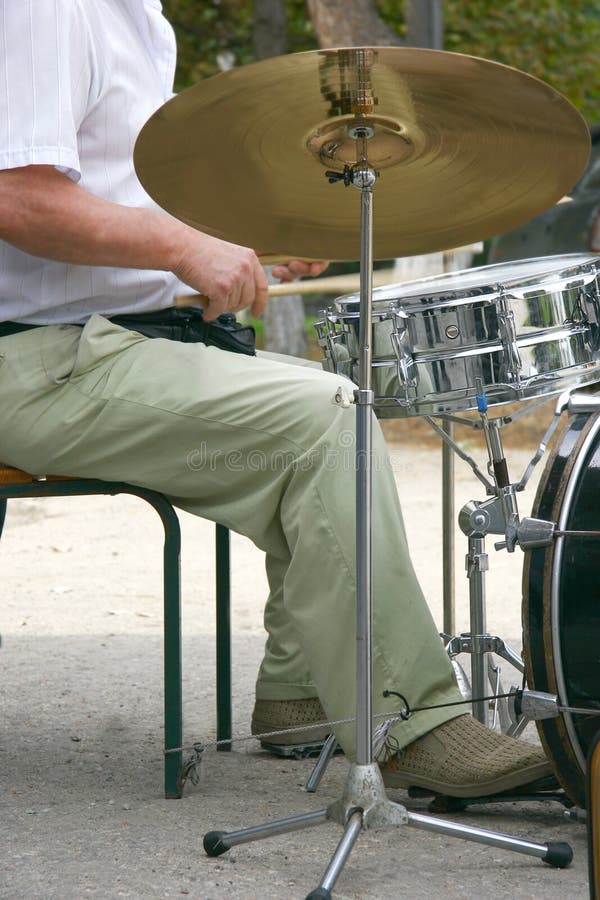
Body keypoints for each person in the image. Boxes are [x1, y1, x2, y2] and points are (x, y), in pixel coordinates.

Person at [0, 0, 551, 798]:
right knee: (323, 420)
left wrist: (222, 246)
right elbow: (19, 197)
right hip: (40, 359)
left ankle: (298, 691)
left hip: (104, 341)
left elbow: (97, 195)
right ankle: (414, 725)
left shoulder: (135, 14)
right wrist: (184, 247)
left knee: (339, 402)